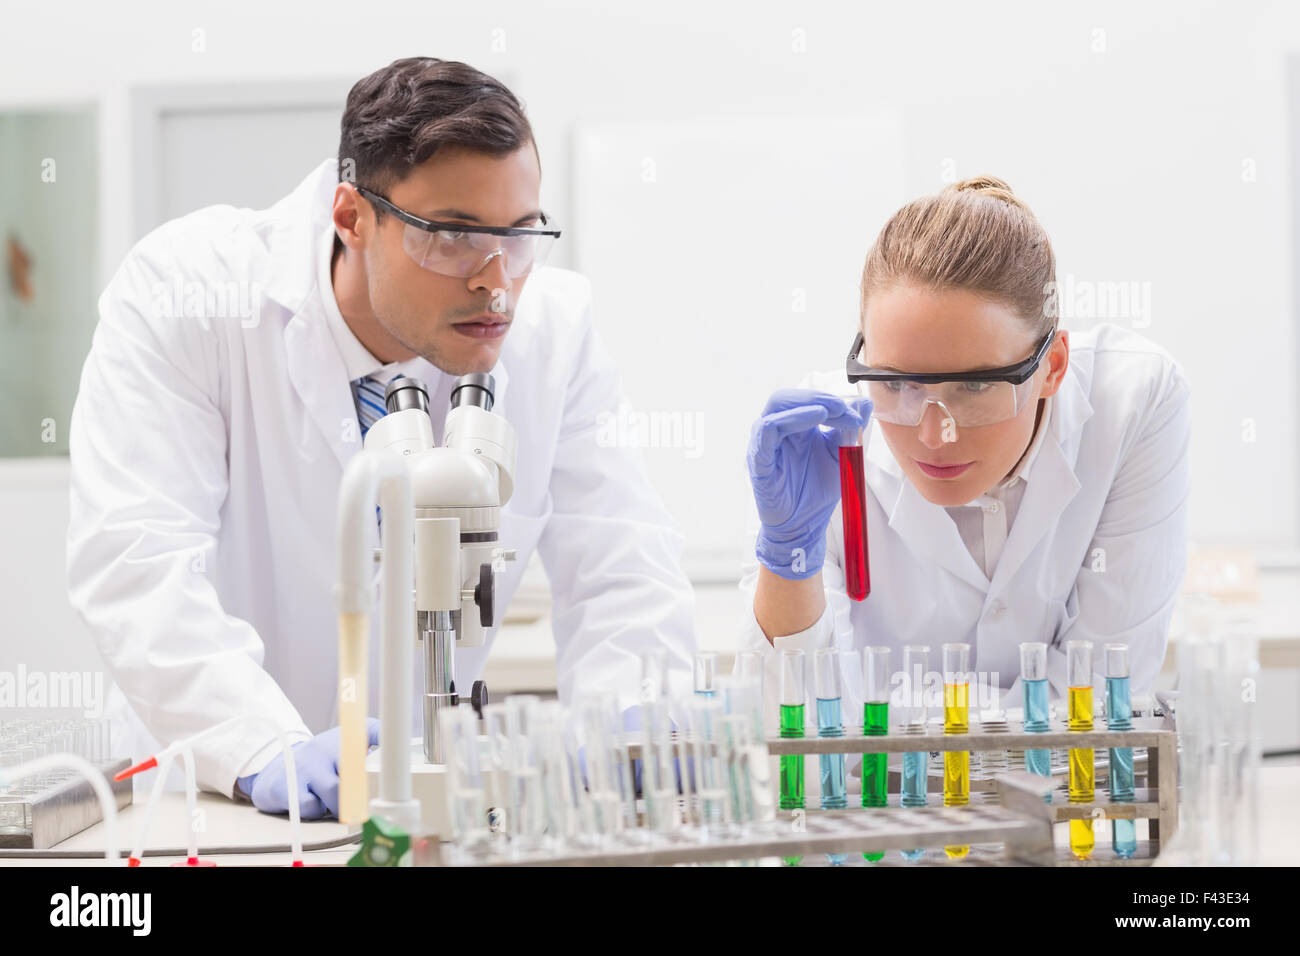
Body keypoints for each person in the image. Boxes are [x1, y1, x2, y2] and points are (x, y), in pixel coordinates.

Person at [66, 57, 695, 818]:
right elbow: (136, 561)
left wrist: (635, 724)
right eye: (454, 238)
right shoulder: (189, 294)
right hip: (218, 800)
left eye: (520, 236)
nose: (496, 282)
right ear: (352, 218)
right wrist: (263, 748)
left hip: (423, 804)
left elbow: (622, 565)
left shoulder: (553, 332)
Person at [741, 176, 1190, 773]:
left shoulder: (1132, 402)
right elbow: (792, 754)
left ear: (1052, 365)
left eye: (976, 386)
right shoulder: (821, 441)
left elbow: (1097, 717)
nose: (933, 434)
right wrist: (787, 559)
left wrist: (887, 726)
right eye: (897, 382)